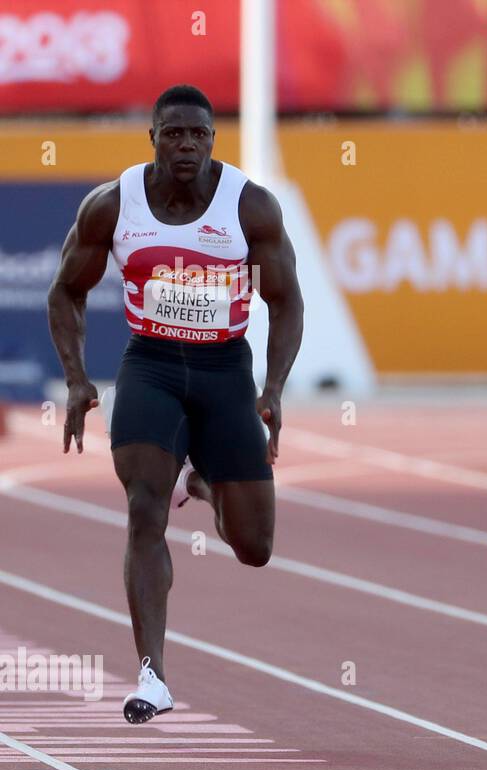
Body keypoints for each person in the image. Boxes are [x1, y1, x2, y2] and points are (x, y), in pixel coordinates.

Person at [47, 85, 304, 722]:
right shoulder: (113, 206)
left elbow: (287, 302)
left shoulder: (251, 208)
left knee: (255, 546)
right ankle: (153, 674)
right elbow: (64, 293)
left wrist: (272, 388)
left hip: (224, 371)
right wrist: (78, 380)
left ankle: (206, 482)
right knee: (143, 508)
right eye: (173, 134)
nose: (186, 145)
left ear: (214, 140)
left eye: (199, 135)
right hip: (151, 366)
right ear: (153, 138)